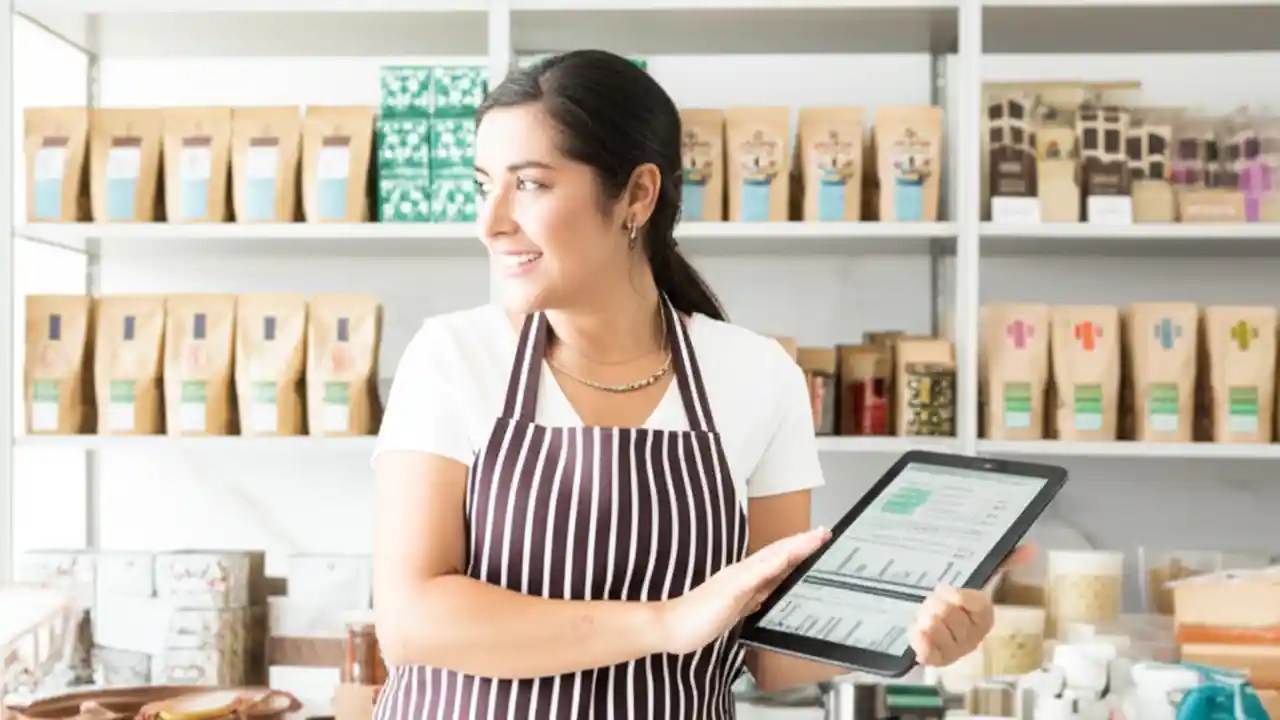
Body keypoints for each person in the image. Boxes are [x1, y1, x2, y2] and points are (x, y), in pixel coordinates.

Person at [371, 49, 1026, 719]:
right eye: (485, 186)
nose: (491, 223)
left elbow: (769, 649)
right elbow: (411, 620)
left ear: (637, 194)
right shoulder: (452, 357)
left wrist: (913, 629)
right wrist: (664, 622)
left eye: (530, 185)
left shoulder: (755, 374)